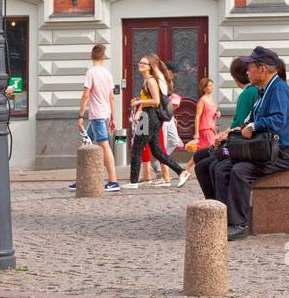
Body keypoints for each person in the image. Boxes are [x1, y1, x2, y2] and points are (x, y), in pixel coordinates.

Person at [207, 46, 289, 241]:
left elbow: (278, 119)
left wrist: (254, 126)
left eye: (250, 67)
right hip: (263, 148)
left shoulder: (278, 88)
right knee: (220, 163)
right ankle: (220, 218)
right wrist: (237, 131)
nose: (247, 71)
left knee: (240, 170)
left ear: (262, 70)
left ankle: (238, 225)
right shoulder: (263, 89)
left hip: (279, 152)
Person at [193, 57, 259, 201]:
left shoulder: (248, 93)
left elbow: (240, 125)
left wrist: (223, 137)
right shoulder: (253, 91)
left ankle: (216, 205)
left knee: (205, 164)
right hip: (239, 140)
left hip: (240, 145)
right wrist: (223, 134)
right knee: (200, 156)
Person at [125, 54, 189, 187]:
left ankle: (133, 182)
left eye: (144, 63)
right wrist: (139, 101)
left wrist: (139, 101)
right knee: (157, 151)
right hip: (149, 116)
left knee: (137, 148)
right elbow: (151, 99)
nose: (140, 64)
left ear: (150, 67)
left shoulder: (150, 81)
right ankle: (182, 171)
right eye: (140, 62)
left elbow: (156, 101)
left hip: (149, 117)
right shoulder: (146, 80)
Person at [73, 43, 120, 192]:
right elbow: (111, 97)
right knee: (86, 143)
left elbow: (86, 95)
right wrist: (113, 117)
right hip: (102, 114)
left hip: (97, 115)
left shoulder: (91, 72)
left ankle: (113, 181)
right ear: (103, 57)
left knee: (104, 146)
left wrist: (80, 115)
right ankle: (84, 178)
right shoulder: (107, 74)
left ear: (91, 56)